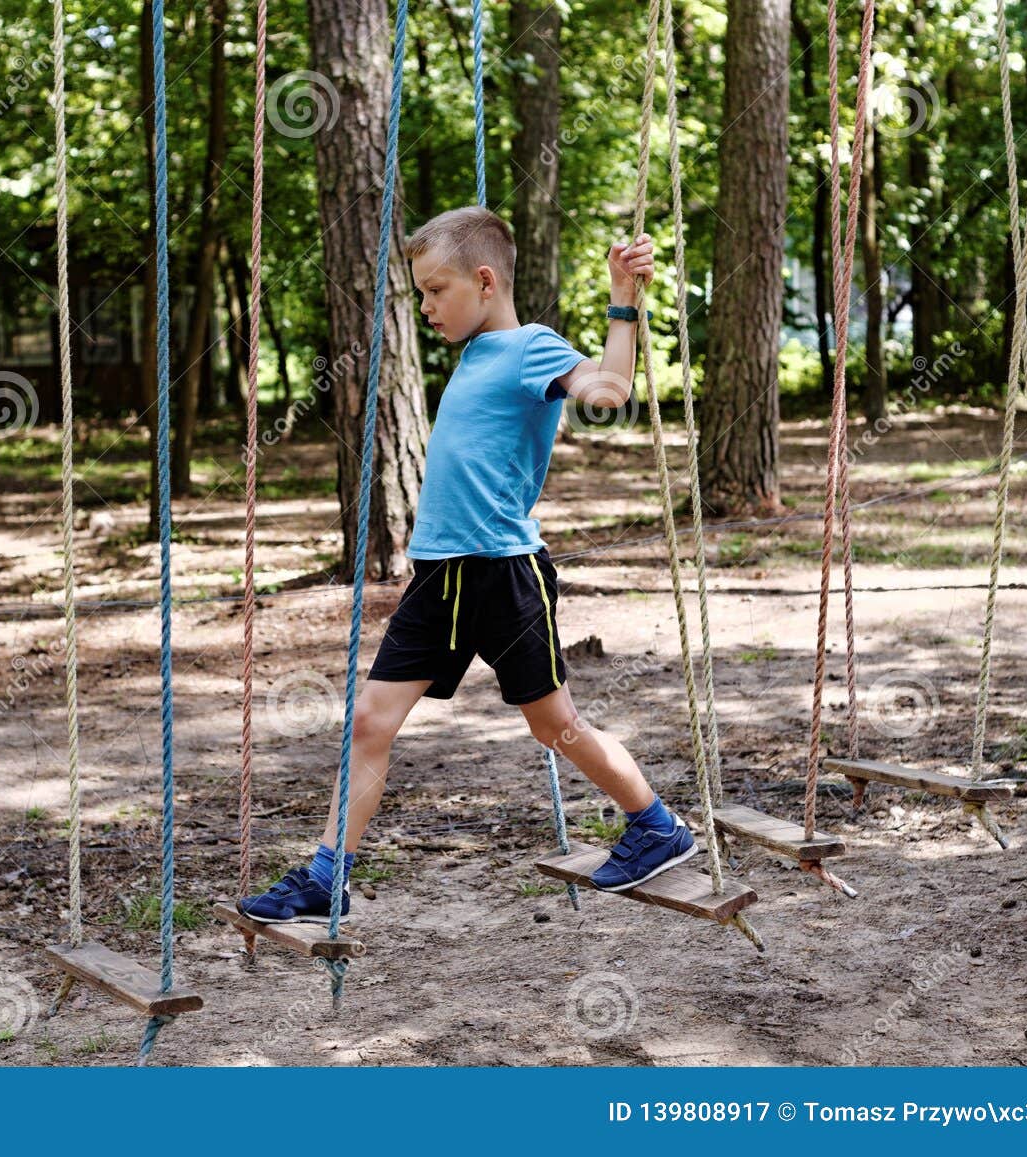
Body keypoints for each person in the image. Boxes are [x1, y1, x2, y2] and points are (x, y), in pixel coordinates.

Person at [238, 205, 693, 924]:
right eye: (419, 293)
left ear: (484, 281)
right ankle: (329, 873)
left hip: (502, 577)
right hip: (438, 578)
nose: (425, 307)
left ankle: (656, 824)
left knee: (556, 727)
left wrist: (623, 301)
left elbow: (607, 392)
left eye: (434, 290)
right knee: (369, 722)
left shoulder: (530, 347)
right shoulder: (476, 354)